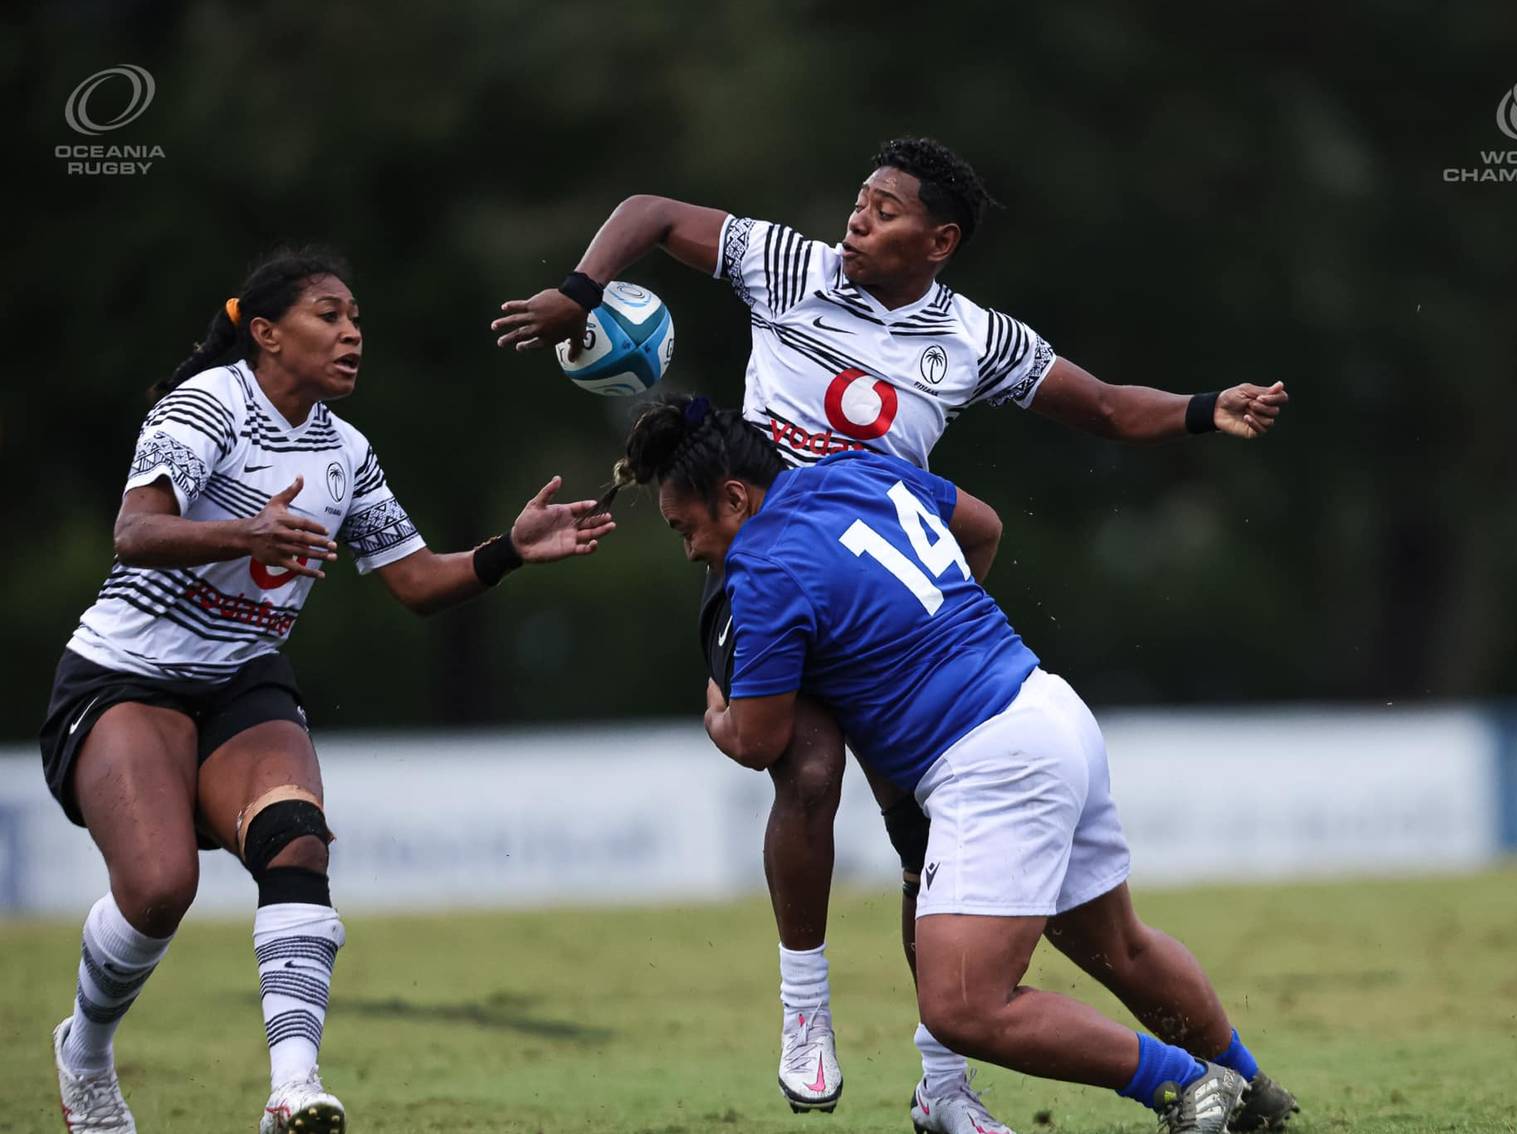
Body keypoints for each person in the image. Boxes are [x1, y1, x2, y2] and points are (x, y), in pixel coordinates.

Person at [491, 137, 1292, 1132]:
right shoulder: (788, 267)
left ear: (939, 240)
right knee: (807, 766)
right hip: (775, 567)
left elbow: (1096, 408)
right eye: (857, 199)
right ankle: (803, 1011)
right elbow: (651, 210)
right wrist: (579, 289)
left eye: (881, 209)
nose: (854, 219)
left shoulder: (973, 339)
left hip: (888, 581)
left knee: (928, 867)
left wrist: (1207, 411)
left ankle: (961, 1095)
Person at [40, 248, 616, 1134]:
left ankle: (293, 1090)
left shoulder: (346, 451)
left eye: (356, 320)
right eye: (329, 315)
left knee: (296, 843)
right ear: (265, 334)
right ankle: (83, 1055)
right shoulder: (205, 408)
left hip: (242, 679)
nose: (352, 334)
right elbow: (135, 531)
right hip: (126, 676)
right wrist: (246, 534)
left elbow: (419, 582)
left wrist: (509, 550)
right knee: (159, 888)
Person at [611, 394, 1291, 1134]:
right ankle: (1254, 1093)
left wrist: (715, 704)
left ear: (735, 498)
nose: (691, 552)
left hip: (993, 762)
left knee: (965, 1007)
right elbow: (983, 526)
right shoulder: (855, 471)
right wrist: (932, 636)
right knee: (1118, 945)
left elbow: (758, 741)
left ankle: (1187, 1084)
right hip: (1046, 705)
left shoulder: (765, 568)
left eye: (688, 529)